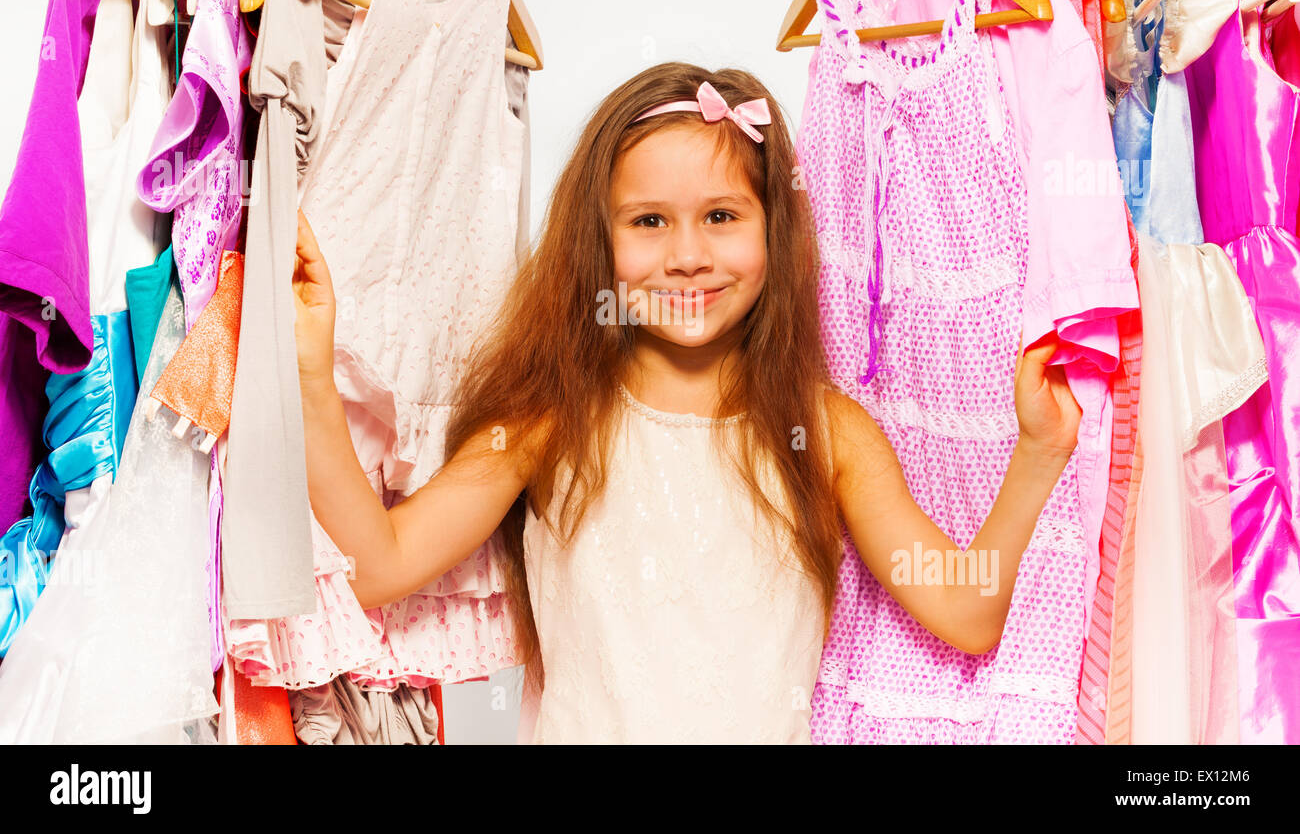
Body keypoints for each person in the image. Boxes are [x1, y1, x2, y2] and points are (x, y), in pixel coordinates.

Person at [291, 61, 1082, 743]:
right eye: (648, 222)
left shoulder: (827, 432)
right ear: (598, 242)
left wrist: (1039, 452)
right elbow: (380, 565)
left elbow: (968, 613)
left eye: (721, 217)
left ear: (775, 229)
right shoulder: (550, 420)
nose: (688, 256)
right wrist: (310, 379)